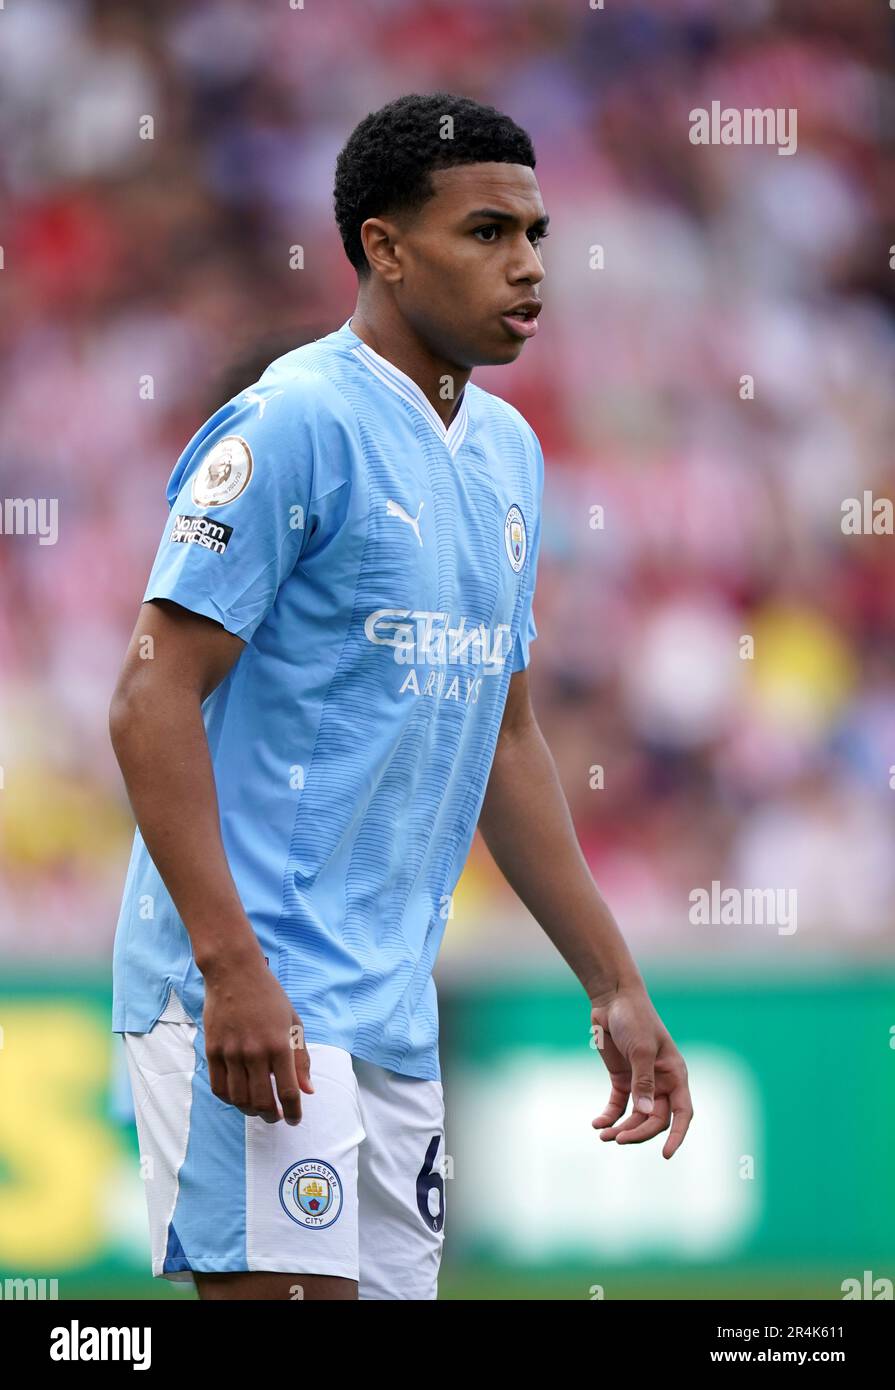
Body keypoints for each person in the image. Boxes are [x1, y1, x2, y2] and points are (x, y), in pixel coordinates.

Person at [109, 91, 692, 1303]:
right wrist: (231, 969)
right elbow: (148, 702)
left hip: (388, 1011)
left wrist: (613, 983)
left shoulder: (510, 454)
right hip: (252, 997)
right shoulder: (293, 422)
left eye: (535, 233)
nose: (528, 265)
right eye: (487, 233)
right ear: (382, 247)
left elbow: (509, 736)